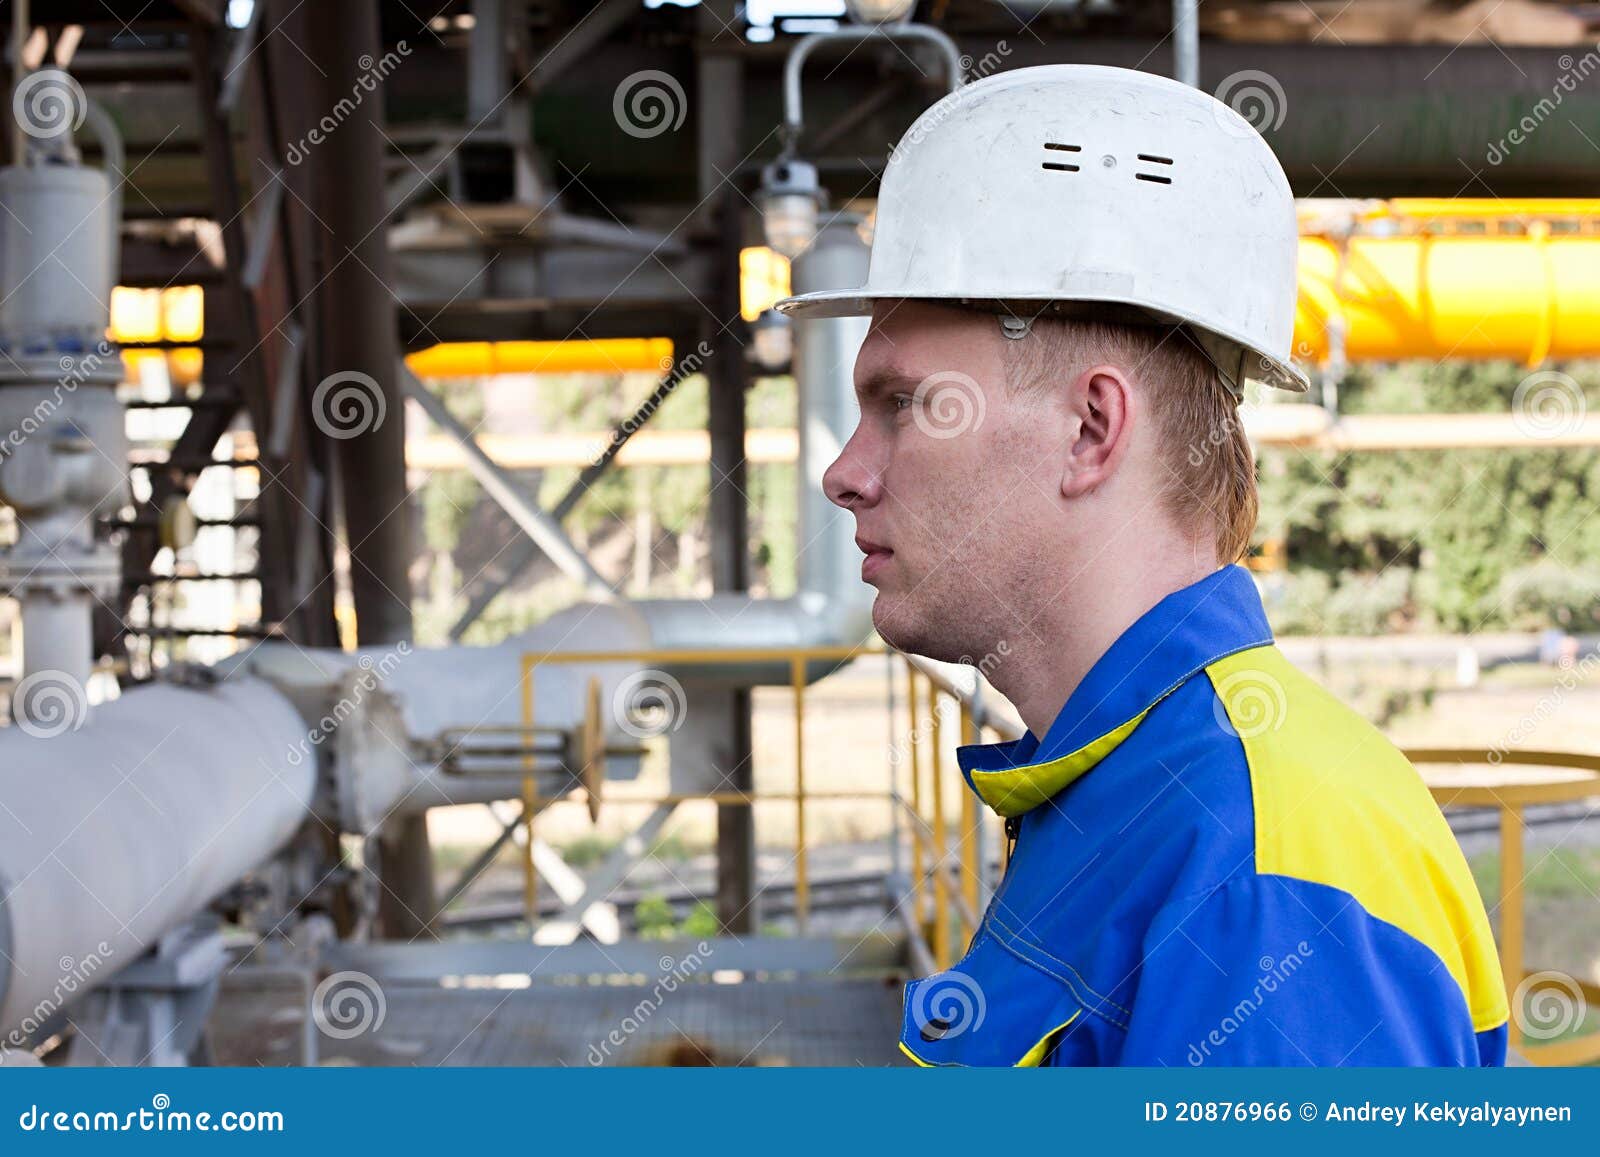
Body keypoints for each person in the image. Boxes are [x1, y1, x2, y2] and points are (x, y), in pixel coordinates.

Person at [779, 64, 1508, 1066]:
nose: (844, 473)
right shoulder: (1128, 789)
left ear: (1089, 428)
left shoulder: (1254, 886)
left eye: (902, 404)